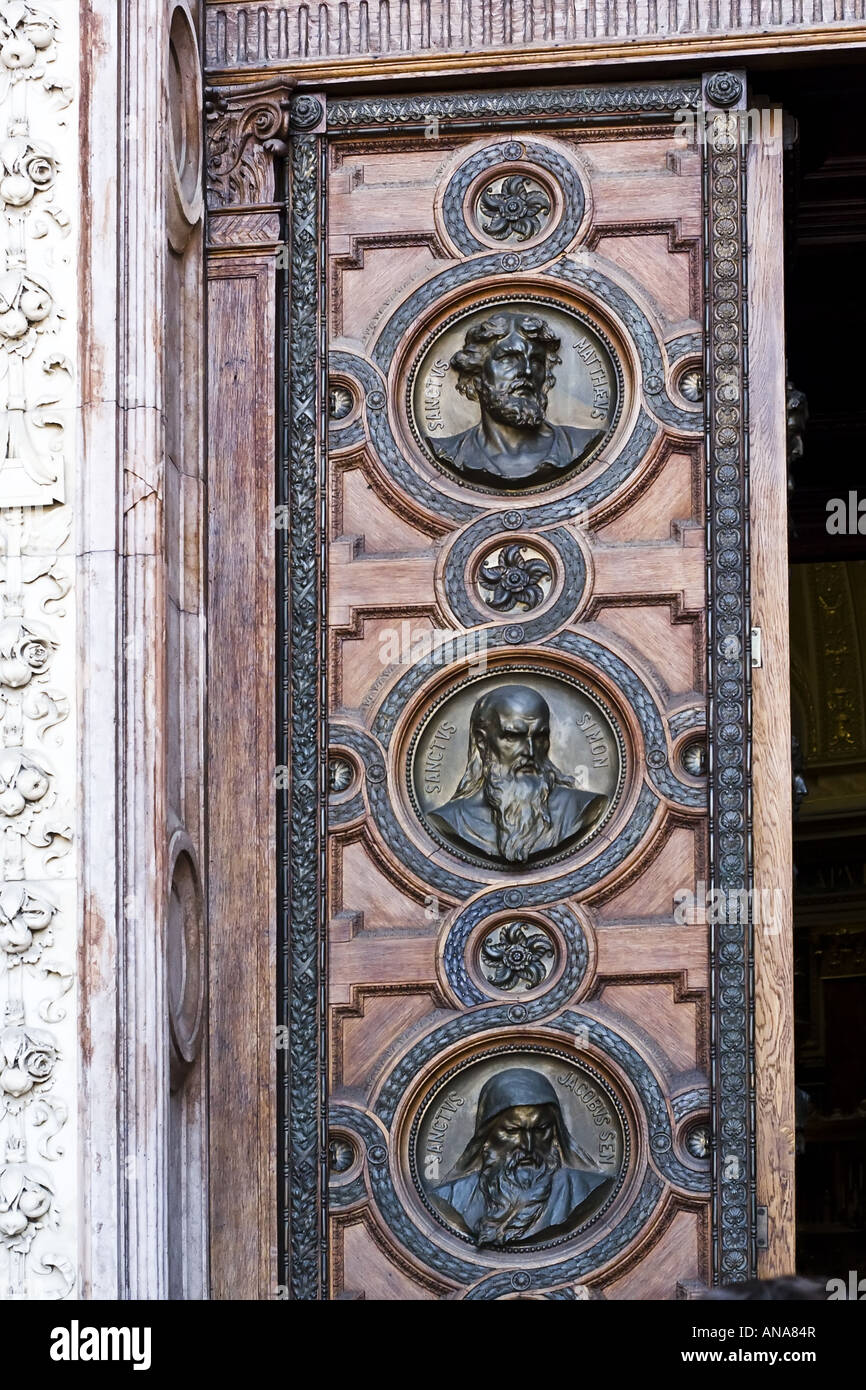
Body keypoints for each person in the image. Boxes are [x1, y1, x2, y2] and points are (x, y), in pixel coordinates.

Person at [432, 1067, 611, 1246]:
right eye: (512, 1131)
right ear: (486, 1136)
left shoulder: (587, 1190)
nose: (528, 1146)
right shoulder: (450, 1197)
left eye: (541, 1129)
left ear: (555, 1133)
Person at [428, 684, 605, 863]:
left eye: (540, 737)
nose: (529, 751)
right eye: (513, 737)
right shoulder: (451, 819)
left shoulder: (579, 808)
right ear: (482, 741)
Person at [426, 311, 603, 486]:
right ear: (476, 377)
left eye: (535, 361)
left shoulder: (578, 444)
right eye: (509, 359)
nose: (527, 371)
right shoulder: (451, 451)